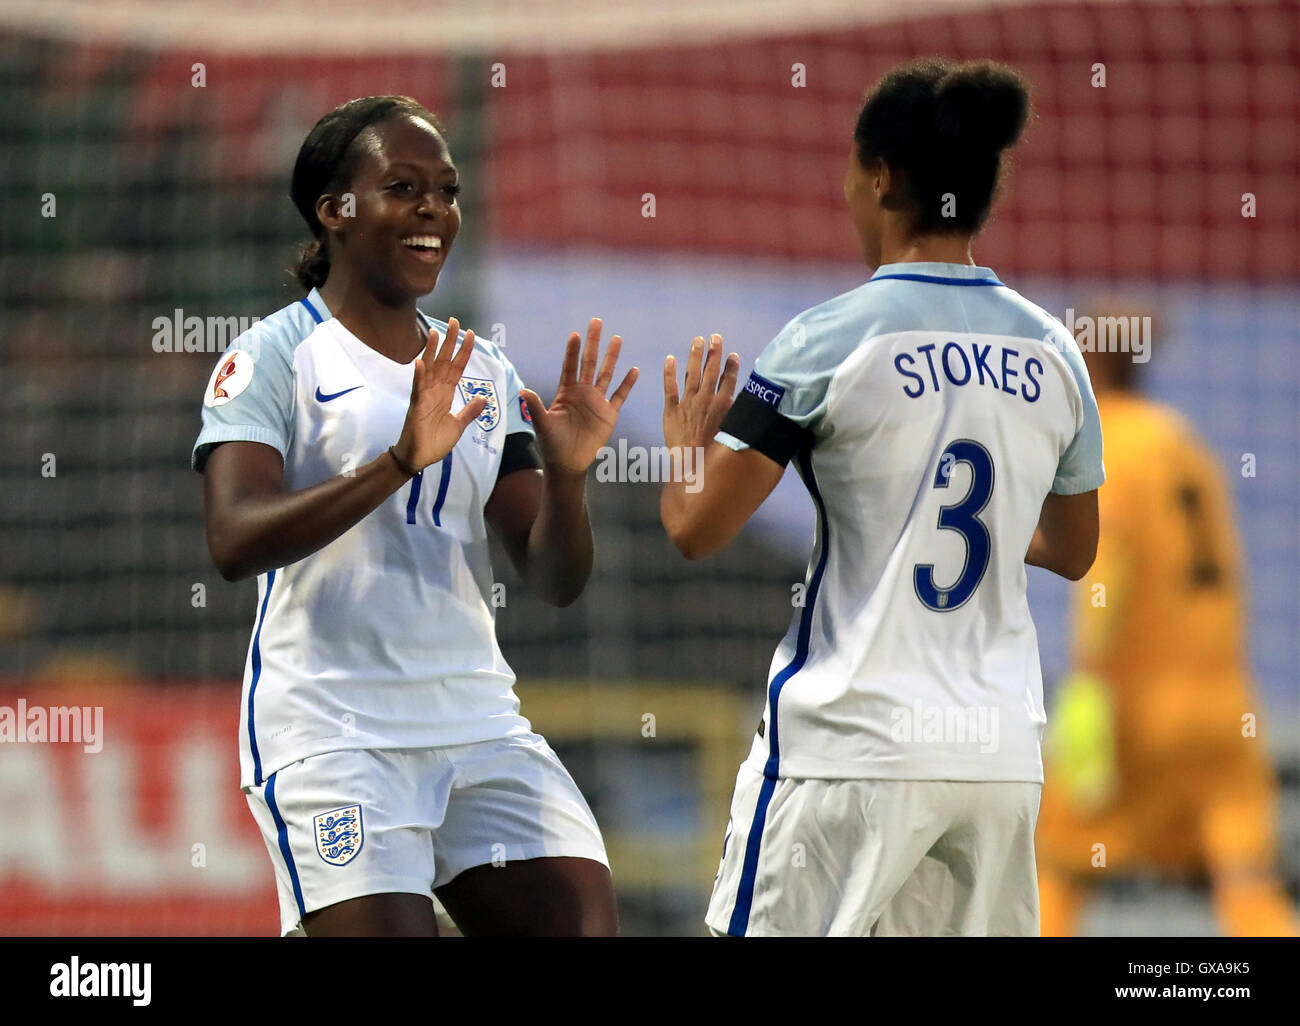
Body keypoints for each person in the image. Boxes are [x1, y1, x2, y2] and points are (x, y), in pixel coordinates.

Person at [658, 58, 1102, 936]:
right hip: (998, 759)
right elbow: (1076, 550)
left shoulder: (826, 340)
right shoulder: (1056, 352)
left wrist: (683, 453)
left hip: (850, 751)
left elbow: (696, 529)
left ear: (881, 177)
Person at [192, 95, 637, 936]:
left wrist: (570, 480)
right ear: (335, 212)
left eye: (447, 188)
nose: (435, 209)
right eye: (403, 186)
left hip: (477, 724)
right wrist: (397, 461)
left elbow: (553, 579)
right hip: (333, 734)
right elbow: (233, 539)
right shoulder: (272, 356)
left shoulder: (482, 370)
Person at [1036, 303, 1297, 937]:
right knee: (1247, 883)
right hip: (1224, 709)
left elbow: (1107, 569)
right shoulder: (1186, 444)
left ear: (1089, 363)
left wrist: (1090, 690)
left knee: (1056, 865)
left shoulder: (1110, 445)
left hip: (1137, 706)